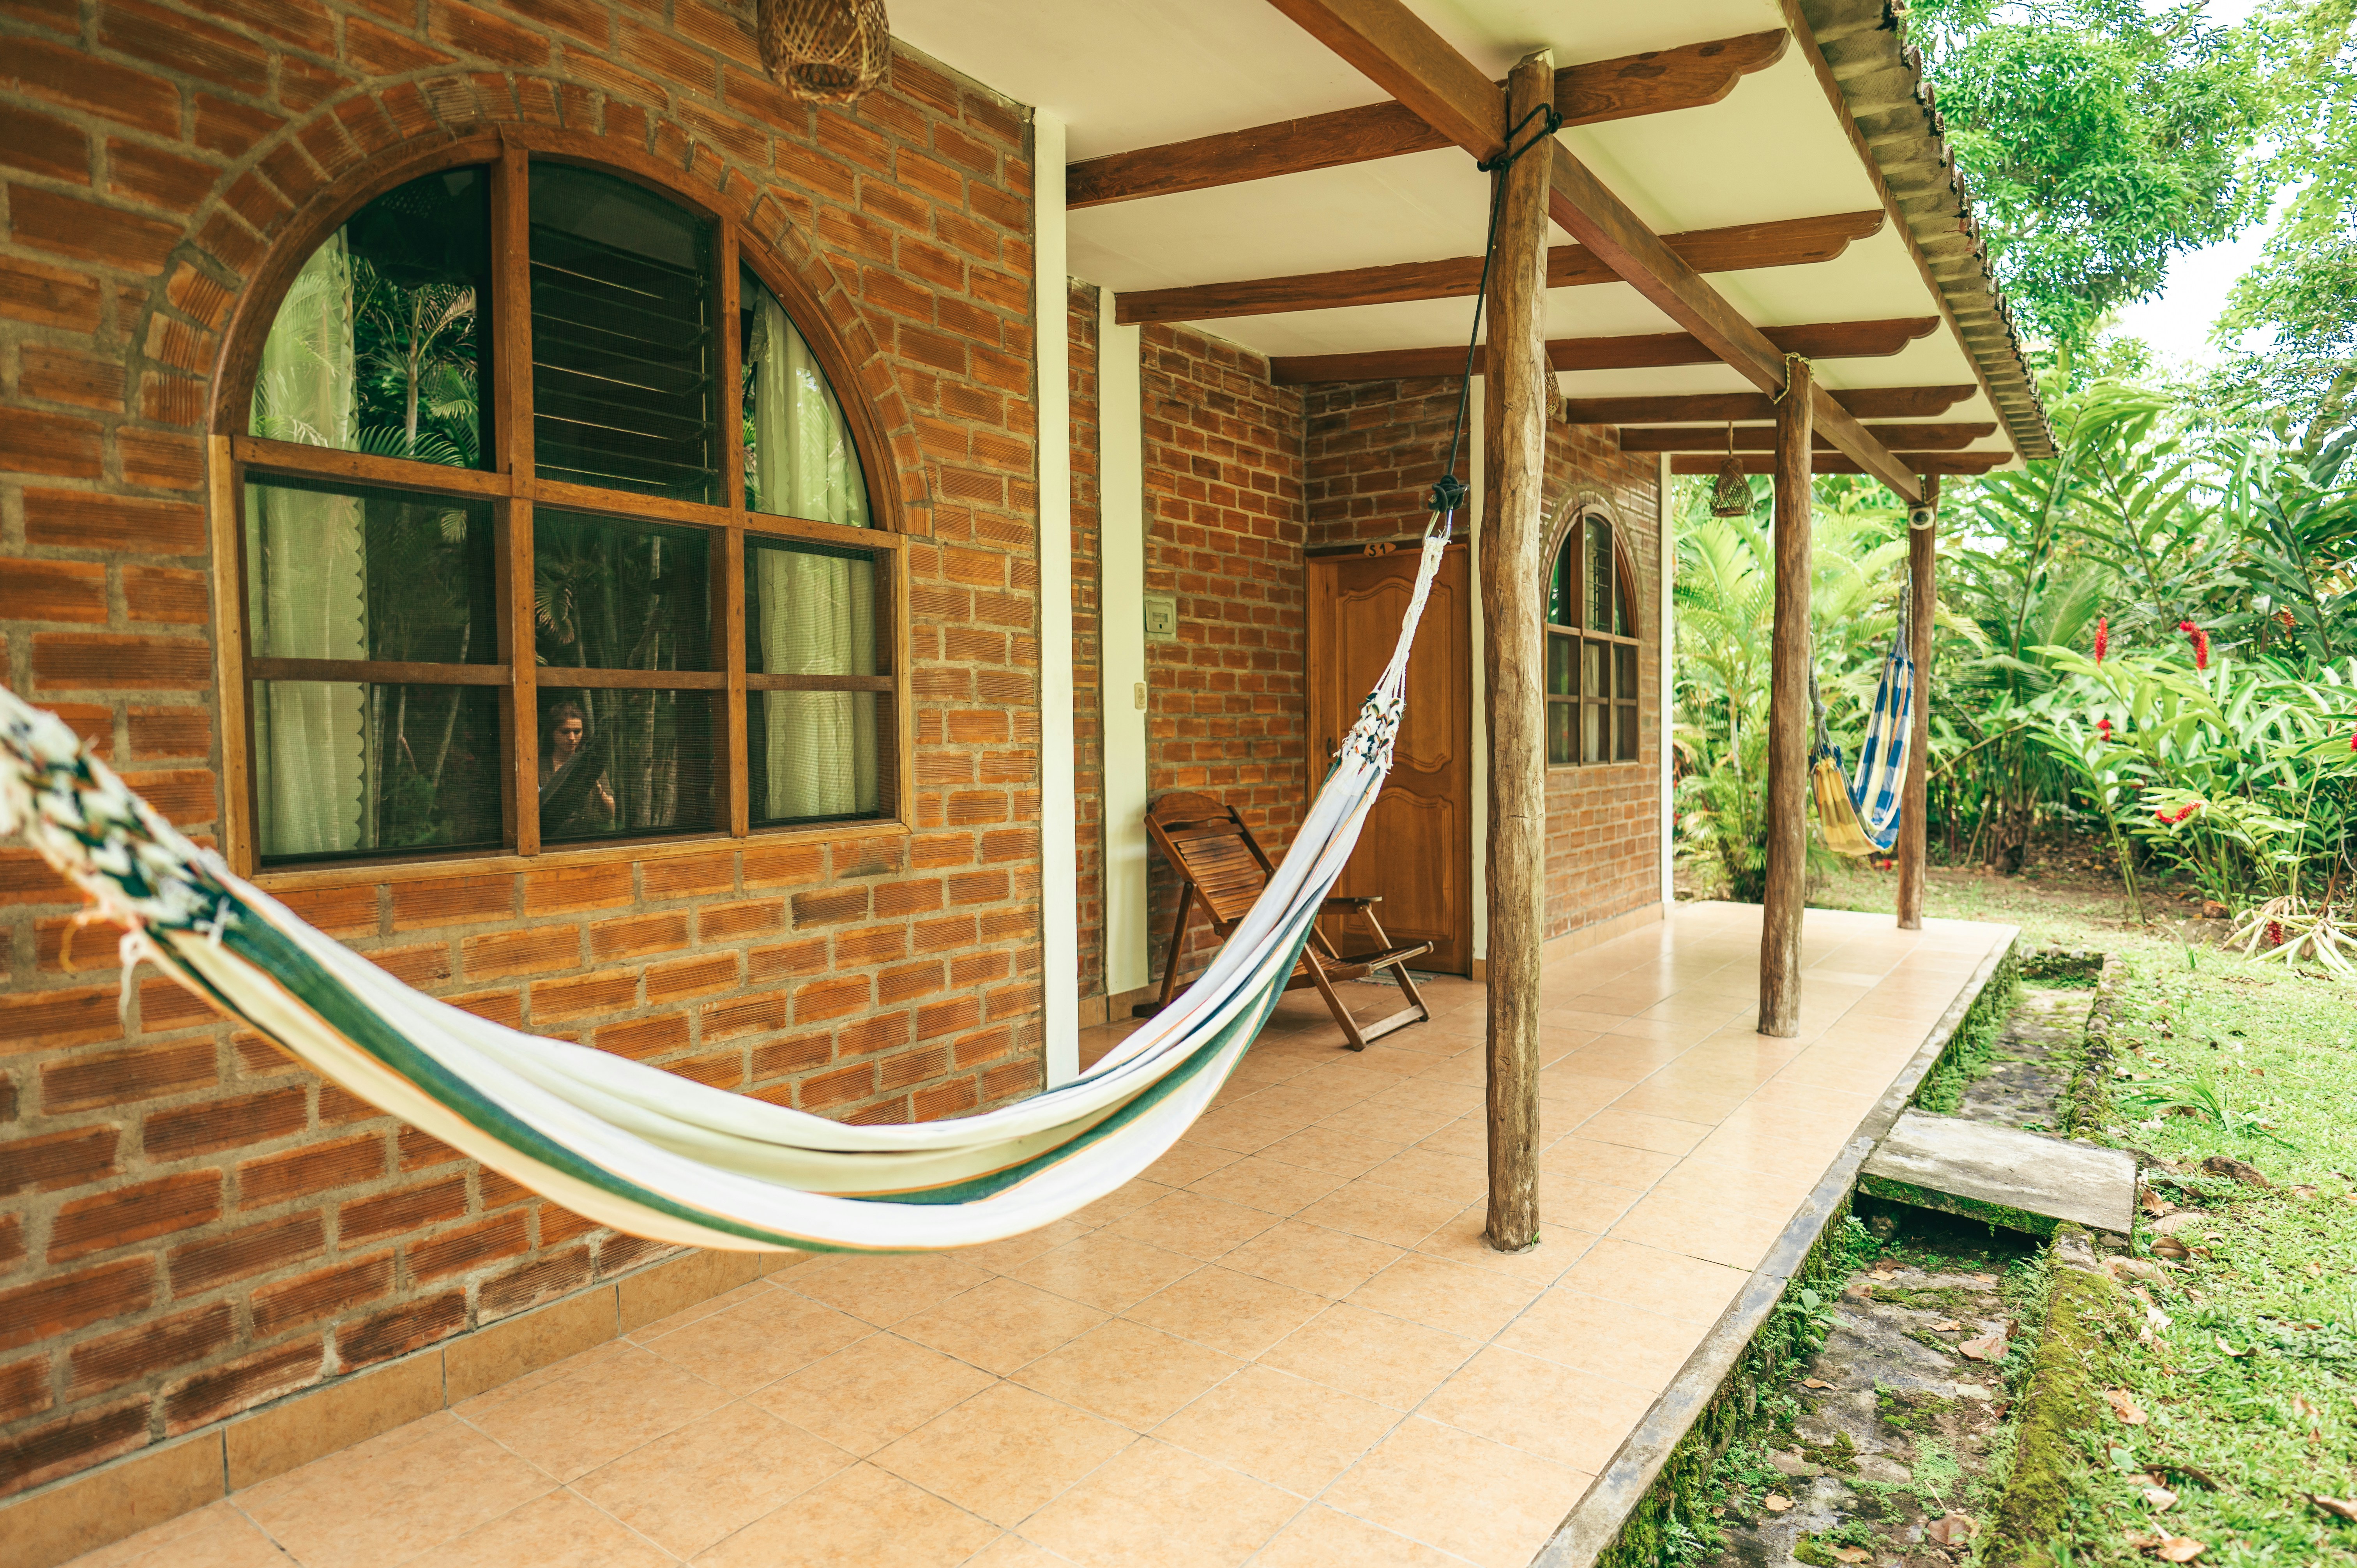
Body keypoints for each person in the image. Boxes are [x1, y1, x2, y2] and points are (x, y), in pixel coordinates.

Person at [539, 701, 615, 827]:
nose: (572, 738)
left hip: (588, 837)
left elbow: (610, 814)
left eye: (577, 731)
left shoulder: (591, 762)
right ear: (552, 733)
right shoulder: (538, 766)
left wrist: (597, 789)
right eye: (565, 732)